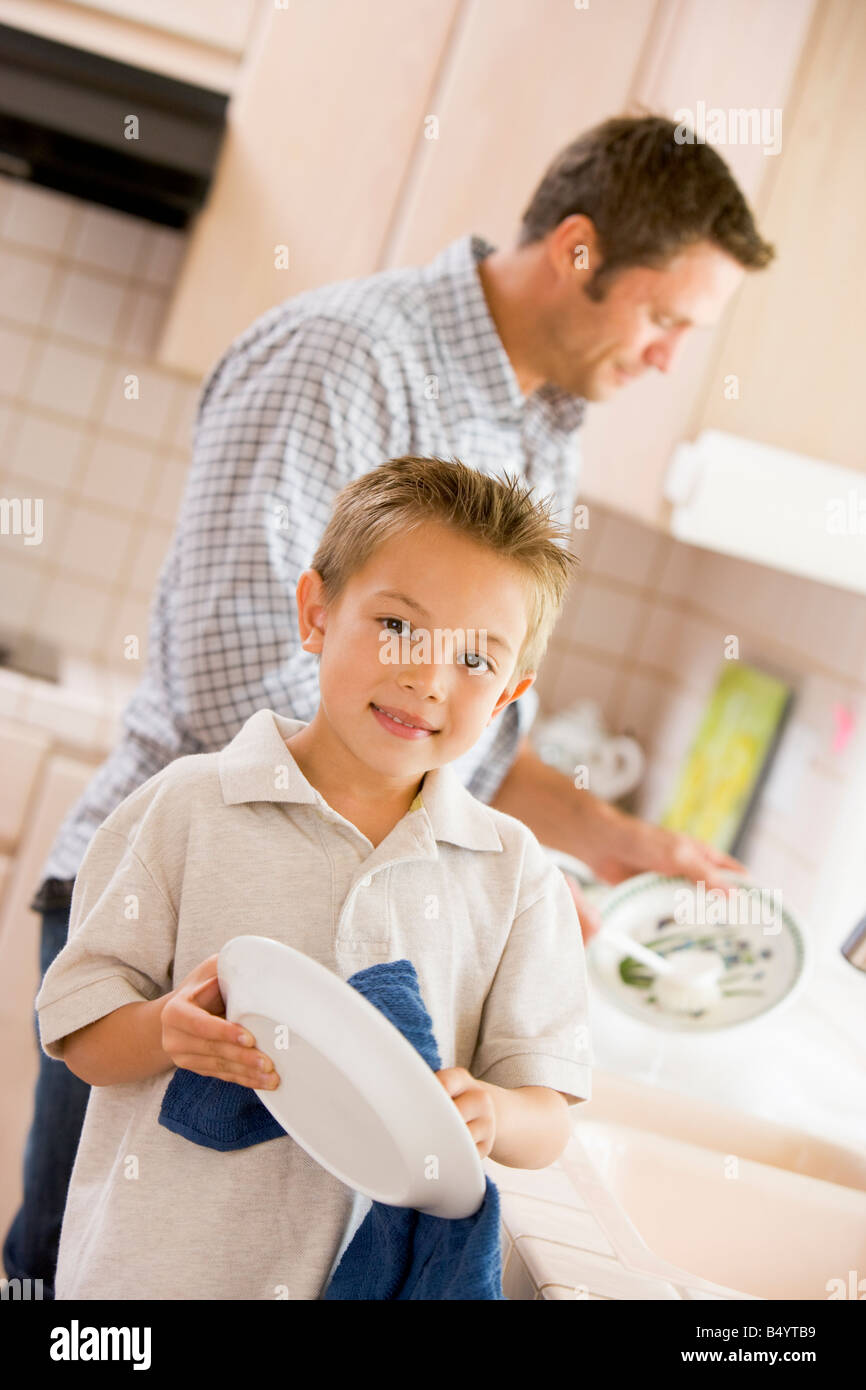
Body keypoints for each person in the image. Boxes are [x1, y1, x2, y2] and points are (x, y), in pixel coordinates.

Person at [5, 113, 769, 1295]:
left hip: (355, 968)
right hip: (187, 919)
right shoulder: (346, 356)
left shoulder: (540, 426)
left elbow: (457, 721)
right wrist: (445, 864)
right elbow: (237, 673)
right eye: (666, 316)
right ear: (577, 252)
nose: (670, 357)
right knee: (74, 1272)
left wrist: (608, 847)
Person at [36, 457, 592, 1300]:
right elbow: (78, 1026)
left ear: (511, 692)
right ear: (316, 613)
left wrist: (496, 1112)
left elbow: (546, 1116)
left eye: (476, 661)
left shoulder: (514, 878)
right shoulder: (192, 806)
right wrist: (164, 1030)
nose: (428, 678)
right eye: (400, 627)